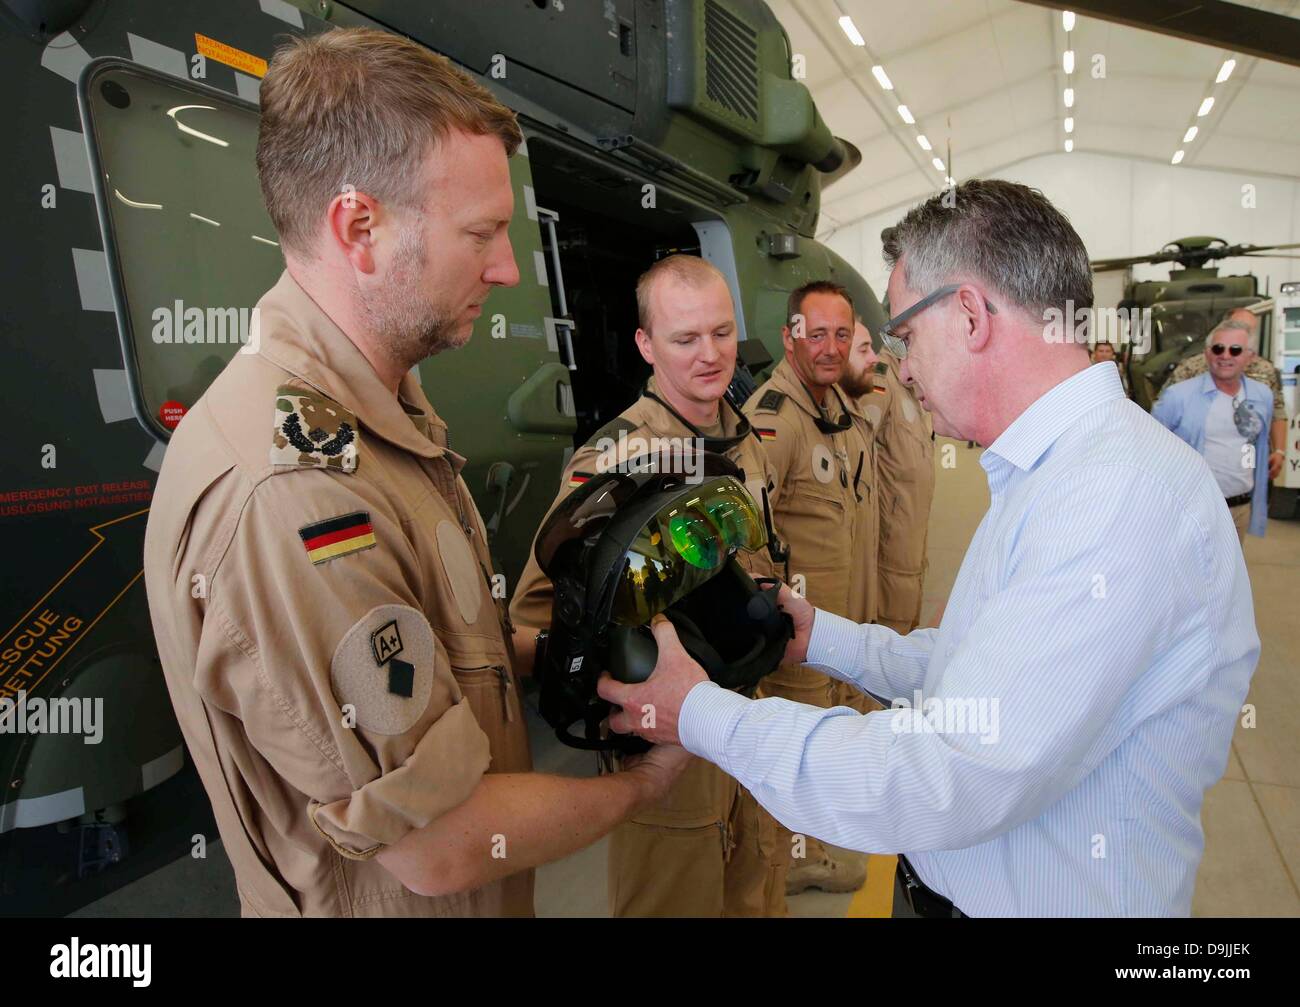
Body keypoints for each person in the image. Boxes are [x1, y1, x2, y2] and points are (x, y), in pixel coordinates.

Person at [598, 179, 1260, 917]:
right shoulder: (1061, 472)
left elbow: (946, 773)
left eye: (906, 336)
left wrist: (698, 711)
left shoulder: (1113, 498)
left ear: (971, 315)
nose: (901, 368)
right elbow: (976, 677)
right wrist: (826, 638)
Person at [143, 28, 688, 918]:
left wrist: (562, 655)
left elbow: (429, 656)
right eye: (481, 233)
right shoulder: (296, 495)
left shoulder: (379, 417)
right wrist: (650, 781)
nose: (508, 269)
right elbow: (439, 843)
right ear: (360, 228)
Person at [510, 254, 787, 917]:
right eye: (684, 338)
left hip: (751, 718)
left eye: (721, 333)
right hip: (670, 753)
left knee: (757, 888)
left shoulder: (746, 440)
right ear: (645, 344)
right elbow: (535, 613)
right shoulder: (616, 461)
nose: (709, 354)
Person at [743, 282, 878, 896]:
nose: (830, 347)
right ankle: (796, 858)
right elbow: (743, 519)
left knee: (821, 737)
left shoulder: (833, 412)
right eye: (815, 333)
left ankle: (805, 845)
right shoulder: (776, 418)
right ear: (789, 336)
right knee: (797, 747)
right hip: (796, 634)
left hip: (830, 630)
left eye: (841, 334)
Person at [841, 319, 935, 635]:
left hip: (910, 550)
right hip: (888, 554)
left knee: (908, 627)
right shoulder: (880, 383)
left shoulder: (908, 384)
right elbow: (858, 457)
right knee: (889, 640)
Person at [1153, 319, 1276, 541]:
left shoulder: (1262, 396)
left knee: (1231, 575)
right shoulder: (1177, 397)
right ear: (1207, 354)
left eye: (1235, 350)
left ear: (1250, 357)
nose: (1225, 356)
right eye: (1218, 348)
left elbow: (1257, 446)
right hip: (1194, 510)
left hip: (1241, 508)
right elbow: (1149, 449)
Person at [1166, 307, 1286, 473]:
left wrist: (1279, 451)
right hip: (1203, 460)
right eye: (1238, 326)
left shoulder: (1265, 369)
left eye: (1250, 330)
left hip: (1250, 457)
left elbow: (1277, 411)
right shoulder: (1193, 367)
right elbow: (1166, 413)